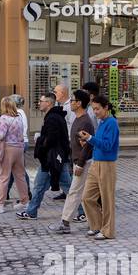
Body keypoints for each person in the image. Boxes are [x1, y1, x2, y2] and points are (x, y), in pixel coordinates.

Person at [17, 92, 70, 220]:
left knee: (67, 186)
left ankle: (82, 211)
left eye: (41, 101)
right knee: (40, 185)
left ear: (49, 103)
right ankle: (31, 211)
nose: (39, 103)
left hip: (53, 158)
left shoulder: (52, 118)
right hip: (51, 158)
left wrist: (40, 142)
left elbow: (51, 138)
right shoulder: (53, 116)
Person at [51, 90, 94, 232]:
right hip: (77, 161)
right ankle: (94, 223)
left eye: (73, 101)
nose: (71, 103)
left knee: (74, 192)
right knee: (86, 195)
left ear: (79, 103)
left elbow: (87, 146)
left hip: (84, 163)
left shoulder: (85, 122)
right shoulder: (77, 119)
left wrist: (80, 164)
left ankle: (65, 223)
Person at [79, 94, 121, 240]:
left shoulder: (111, 123)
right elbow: (100, 142)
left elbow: (108, 145)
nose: (95, 112)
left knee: (107, 199)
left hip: (107, 165)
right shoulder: (102, 122)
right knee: (86, 197)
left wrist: (90, 138)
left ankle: (108, 231)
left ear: (106, 108)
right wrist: (89, 141)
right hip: (96, 163)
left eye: (97, 109)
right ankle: (96, 226)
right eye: (93, 109)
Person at [0, 95, 29, 213]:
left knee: (3, 177)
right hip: (19, 148)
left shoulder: (4, 118)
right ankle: (24, 201)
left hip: (8, 149)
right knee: (20, 176)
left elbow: (1, 135)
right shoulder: (18, 117)